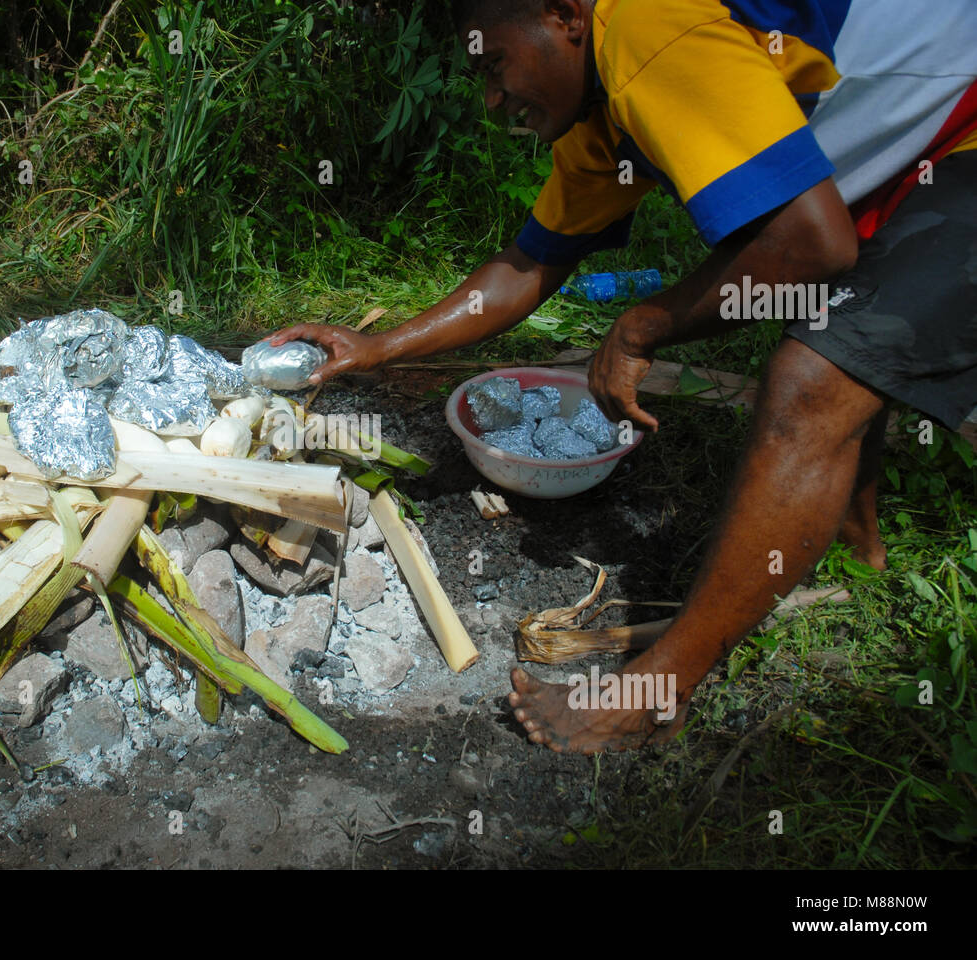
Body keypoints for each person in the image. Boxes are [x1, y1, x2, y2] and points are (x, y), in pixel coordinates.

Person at [266, 0, 977, 752]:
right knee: (841, 330)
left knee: (810, 380)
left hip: (962, 129)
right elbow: (528, 267)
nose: (492, 99)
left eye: (494, 64)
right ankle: (857, 558)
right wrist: (378, 348)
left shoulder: (644, 28)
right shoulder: (603, 118)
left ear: (564, 14)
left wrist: (643, 326)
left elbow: (811, 244)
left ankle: (655, 693)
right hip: (910, 151)